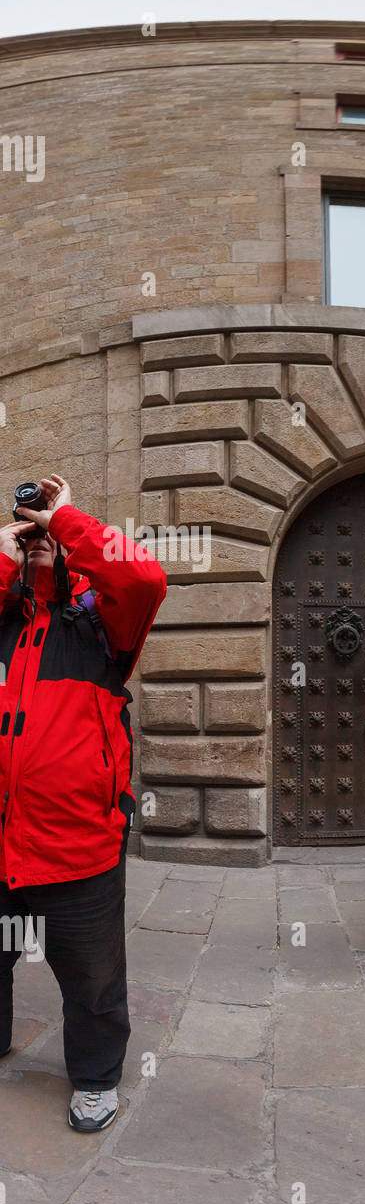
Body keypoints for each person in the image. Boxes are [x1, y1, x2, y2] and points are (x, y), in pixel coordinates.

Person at [0, 475, 165, 1133]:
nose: (39, 544)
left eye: (49, 539)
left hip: (76, 843)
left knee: (91, 975)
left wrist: (65, 519)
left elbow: (145, 580)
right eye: (30, 535)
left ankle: (95, 1078)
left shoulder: (100, 625)